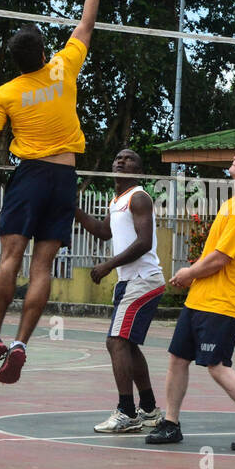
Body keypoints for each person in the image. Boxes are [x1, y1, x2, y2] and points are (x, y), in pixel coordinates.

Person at [0, 0, 122, 384]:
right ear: (41, 54)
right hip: (64, 179)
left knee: (9, 258)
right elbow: (86, 26)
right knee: (41, 268)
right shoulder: (62, 67)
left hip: (31, 175)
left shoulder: (4, 93)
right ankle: (20, 344)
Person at [145, 148, 235, 451]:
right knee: (178, 359)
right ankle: (171, 423)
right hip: (201, 300)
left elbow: (220, 258)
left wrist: (189, 273)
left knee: (216, 365)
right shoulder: (234, 204)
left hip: (223, 302)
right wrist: (194, 280)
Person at [74, 148, 167, 433]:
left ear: (138, 171)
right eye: (118, 158)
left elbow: (144, 242)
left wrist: (106, 266)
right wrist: (74, 209)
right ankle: (149, 409)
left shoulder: (138, 198)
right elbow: (103, 231)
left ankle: (127, 412)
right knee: (126, 344)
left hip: (143, 279)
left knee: (115, 342)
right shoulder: (117, 201)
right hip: (131, 280)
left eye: (129, 159)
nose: (120, 161)